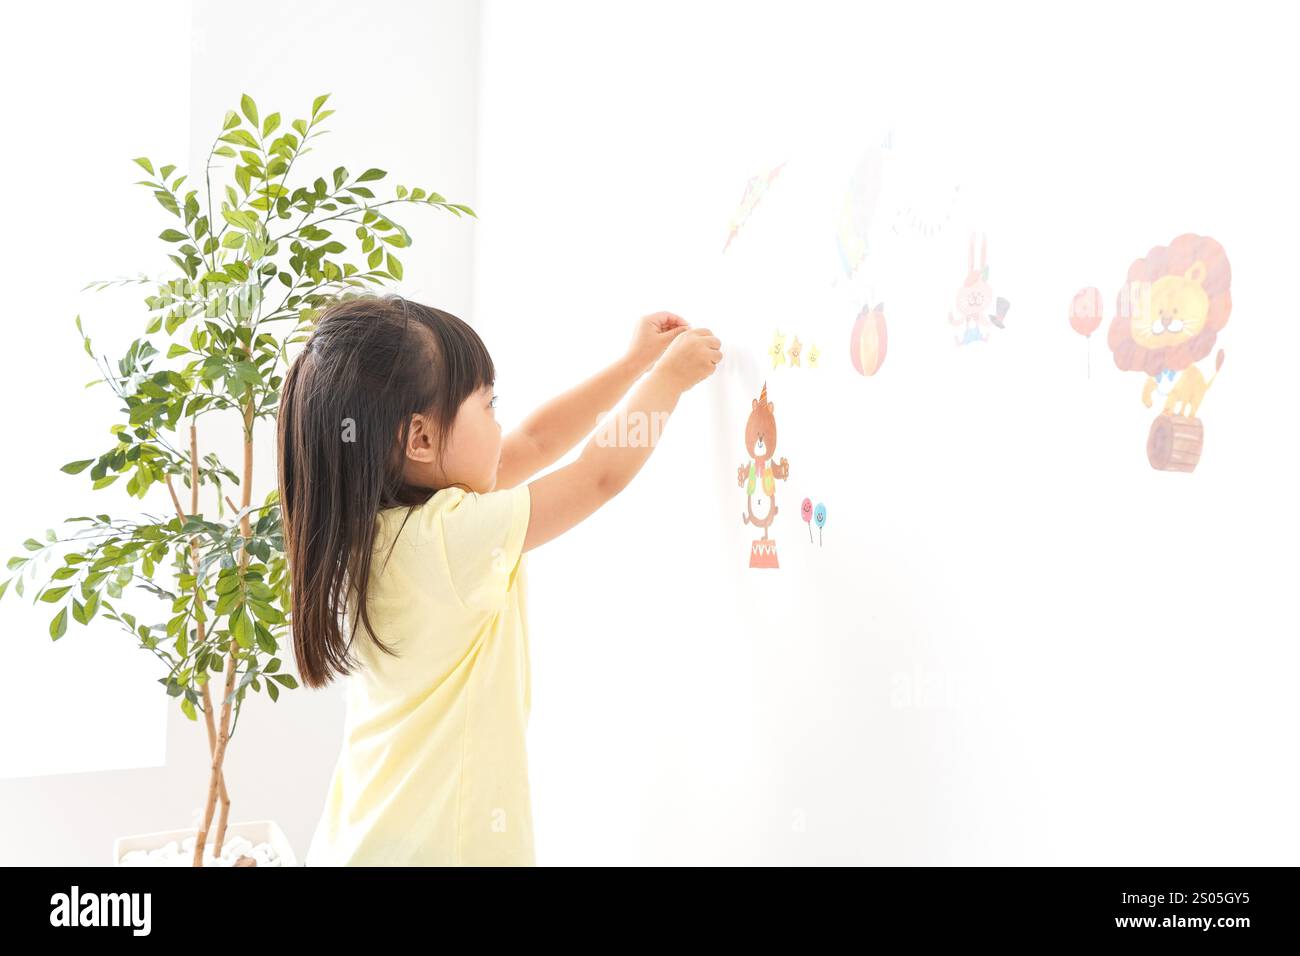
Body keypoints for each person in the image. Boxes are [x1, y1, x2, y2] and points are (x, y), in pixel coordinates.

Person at [276, 293, 721, 865]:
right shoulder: (445, 540)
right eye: (488, 406)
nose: (500, 422)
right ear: (421, 440)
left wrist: (632, 364)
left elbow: (536, 442)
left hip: (369, 836)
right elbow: (597, 478)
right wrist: (669, 381)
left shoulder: (377, 528)